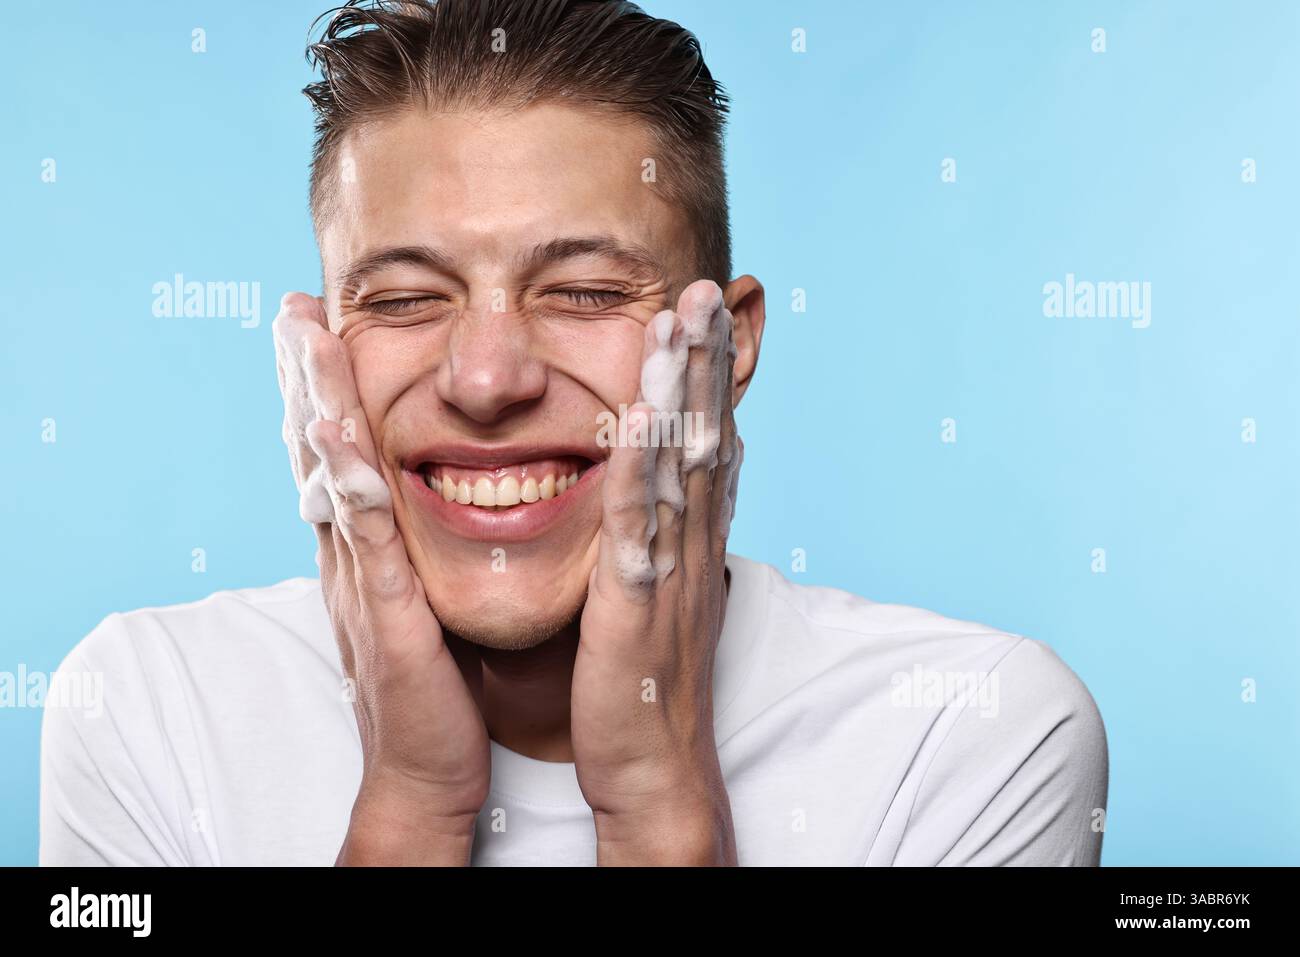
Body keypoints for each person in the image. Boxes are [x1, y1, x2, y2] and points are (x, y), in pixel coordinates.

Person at [40, 0, 1107, 866]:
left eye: (589, 291)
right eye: (405, 299)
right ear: (316, 349)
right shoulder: (146, 709)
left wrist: (657, 803)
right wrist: (413, 808)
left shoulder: (970, 728)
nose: (488, 378)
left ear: (727, 347)